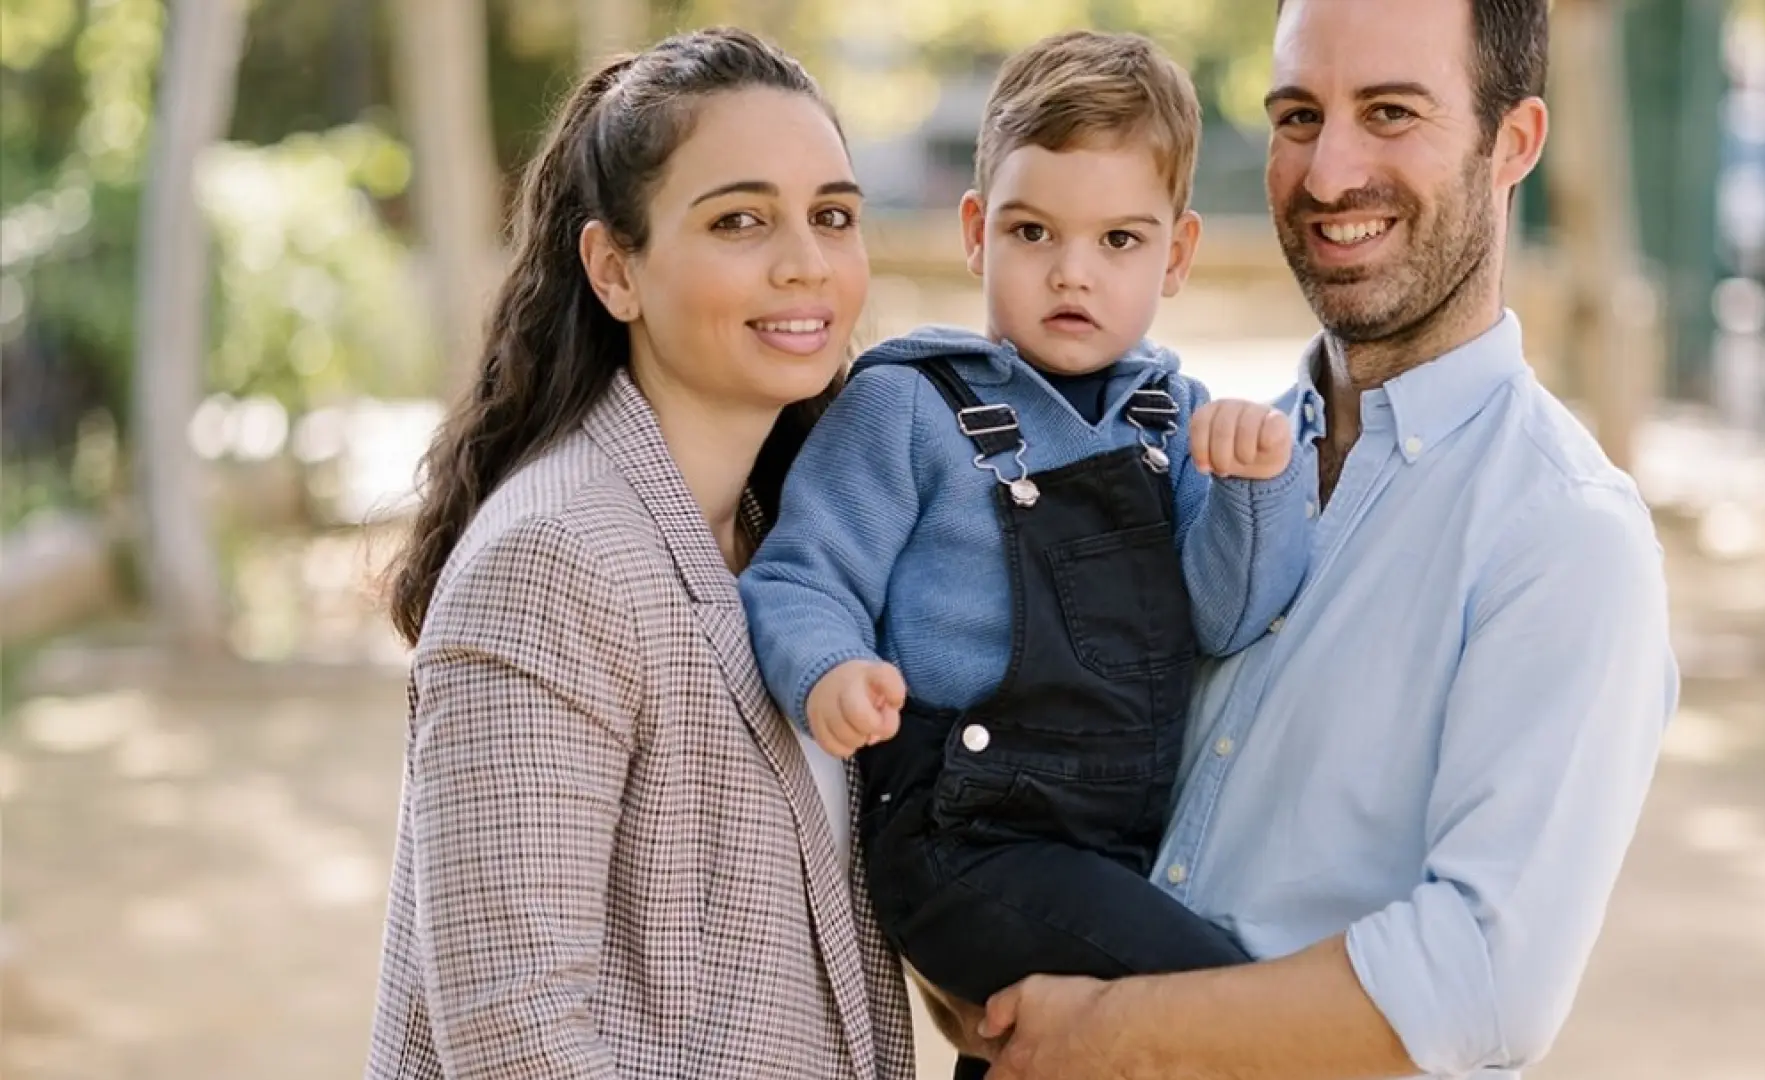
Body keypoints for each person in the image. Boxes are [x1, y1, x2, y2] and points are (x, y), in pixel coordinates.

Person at [973, 1, 1680, 1077]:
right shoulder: (1194, 458)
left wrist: (1108, 1036)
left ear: (1515, 142)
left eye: (1391, 112)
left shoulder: (1566, 535)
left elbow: (1480, 982)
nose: (1327, 170)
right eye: (1298, 114)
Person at [737, 29, 1314, 1079]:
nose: (1071, 273)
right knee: (1220, 1006)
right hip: (965, 840)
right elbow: (797, 575)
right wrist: (830, 669)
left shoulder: (1171, 421)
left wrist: (1252, 491)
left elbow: (1227, 616)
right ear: (976, 232)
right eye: (1033, 232)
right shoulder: (910, 406)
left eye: (1119, 242)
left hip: (1108, 849)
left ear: (1177, 254)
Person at [363, 28, 914, 1080]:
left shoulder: (790, 544)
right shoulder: (554, 560)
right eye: (741, 220)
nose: (805, 262)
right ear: (615, 269)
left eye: (832, 216)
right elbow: (517, 1038)